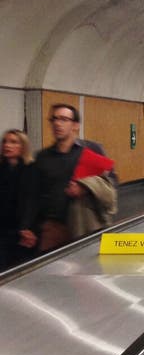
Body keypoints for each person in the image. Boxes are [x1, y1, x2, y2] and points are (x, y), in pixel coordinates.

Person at [19, 104, 117, 254]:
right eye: (54, 119)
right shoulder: (43, 157)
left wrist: (86, 187)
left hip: (86, 226)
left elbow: (112, 184)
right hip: (53, 230)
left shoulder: (92, 150)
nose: (57, 123)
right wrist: (27, 226)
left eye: (64, 119)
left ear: (75, 125)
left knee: (85, 274)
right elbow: (33, 195)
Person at [0, 129, 35, 269]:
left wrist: (26, 227)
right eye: (5, 141)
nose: (7, 145)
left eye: (13, 142)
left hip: (23, 230)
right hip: (2, 230)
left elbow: (33, 200)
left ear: (23, 147)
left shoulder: (31, 169)